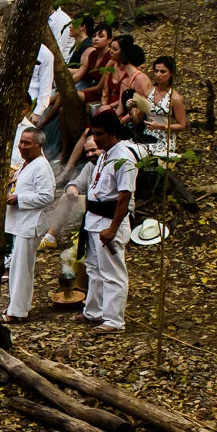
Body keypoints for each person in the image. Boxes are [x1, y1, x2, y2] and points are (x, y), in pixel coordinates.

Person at [80, 111, 139, 333]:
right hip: (94, 219)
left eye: (100, 134)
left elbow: (125, 196)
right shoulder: (106, 153)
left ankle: (114, 321)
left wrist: (113, 229)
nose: (95, 139)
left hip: (109, 220)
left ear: (113, 133)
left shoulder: (124, 157)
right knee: (94, 269)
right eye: (93, 134)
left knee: (113, 271)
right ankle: (94, 311)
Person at [3, 127, 58, 322]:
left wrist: (19, 198)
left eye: (27, 143)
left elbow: (46, 196)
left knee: (21, 269)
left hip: (30, 224)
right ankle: (15, 307)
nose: (22, 147)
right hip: (18, 223)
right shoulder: (24, 164)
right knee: (15, 266)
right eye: (21, 142)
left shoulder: (41, 166)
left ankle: (17, 312)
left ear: (39, 145)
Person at [143, 56, 188, 157]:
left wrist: (161, 127)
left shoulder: (175, 98)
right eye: (156, 71)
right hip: (146, 135)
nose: (158, 75)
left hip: (163, 139)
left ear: (171, 73)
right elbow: (137, 118)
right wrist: (132, 107)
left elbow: (182, 125)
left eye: (163, 72)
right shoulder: (148, 92)